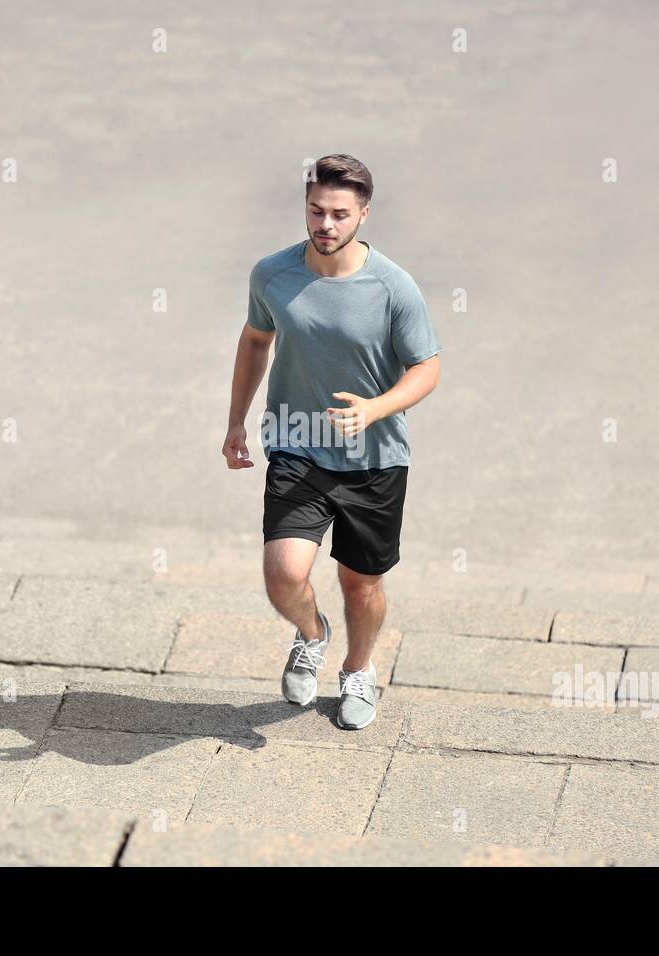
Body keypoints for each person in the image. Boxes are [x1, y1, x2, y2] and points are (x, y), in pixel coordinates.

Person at [222, 153, 442, 730]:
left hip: (375, 460)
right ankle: (311, 635)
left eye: (340, 214)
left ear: (363, 214)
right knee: (283, 574)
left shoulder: (394, 287)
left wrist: (375, 408)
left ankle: (359, 669)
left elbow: (427, 368)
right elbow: (254, 341)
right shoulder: (273, 274)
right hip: (297, 445)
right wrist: (235, 424)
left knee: (360, 582)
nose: (325, 225)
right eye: (316, 211)